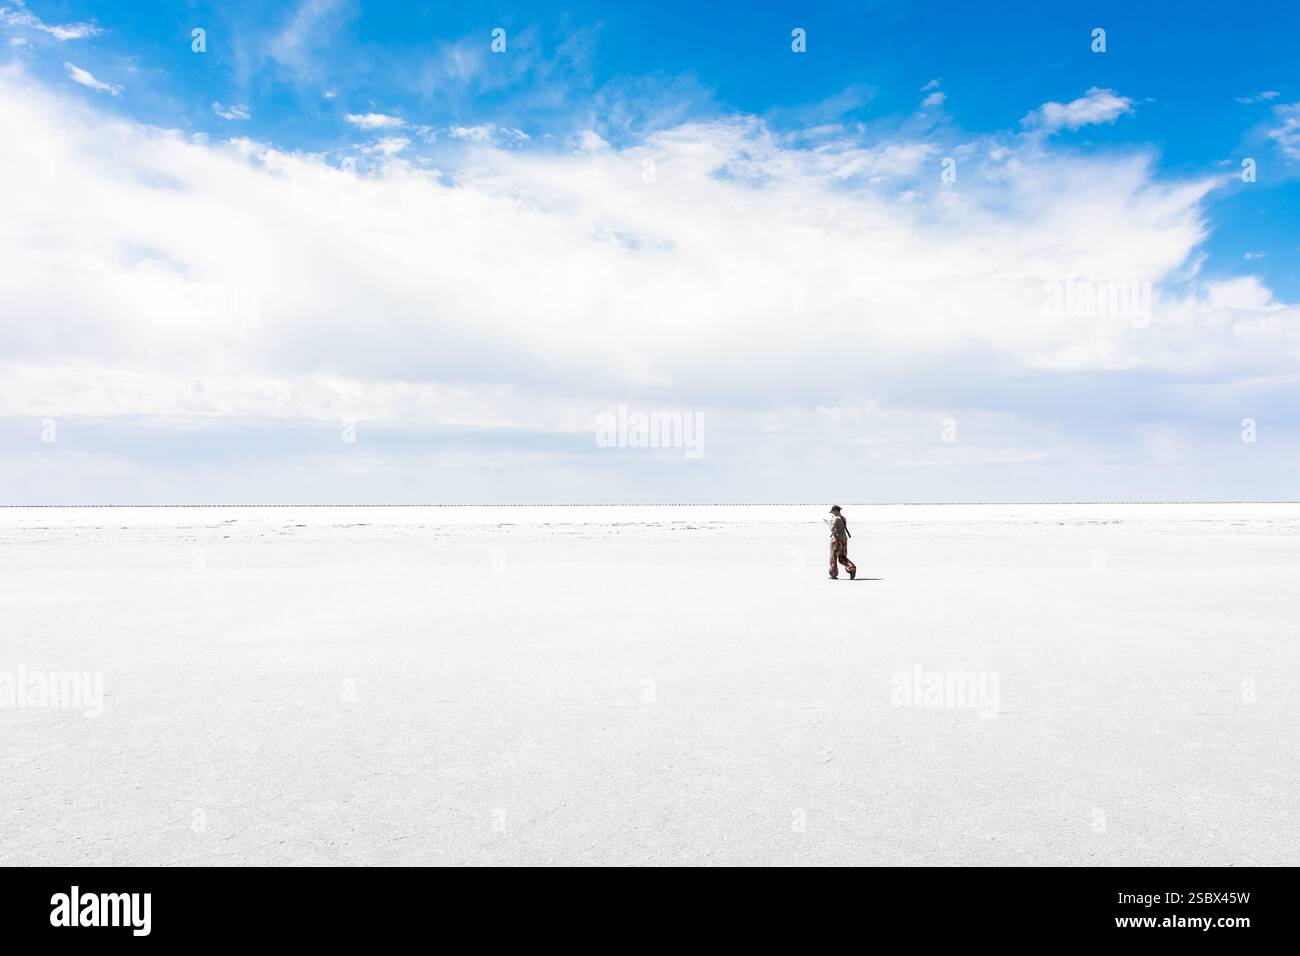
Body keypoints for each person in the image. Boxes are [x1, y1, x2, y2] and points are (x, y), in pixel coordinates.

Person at [827, 505, 856, 580]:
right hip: (844, 539)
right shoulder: (844, 518)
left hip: (836, 540)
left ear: (836, 511)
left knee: (833, 556)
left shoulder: (835, 519)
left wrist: (829, 524)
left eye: (833, 512)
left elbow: (832, 529)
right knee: (842, 556)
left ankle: (833, 573)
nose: (832, 514)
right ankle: (851, 568)